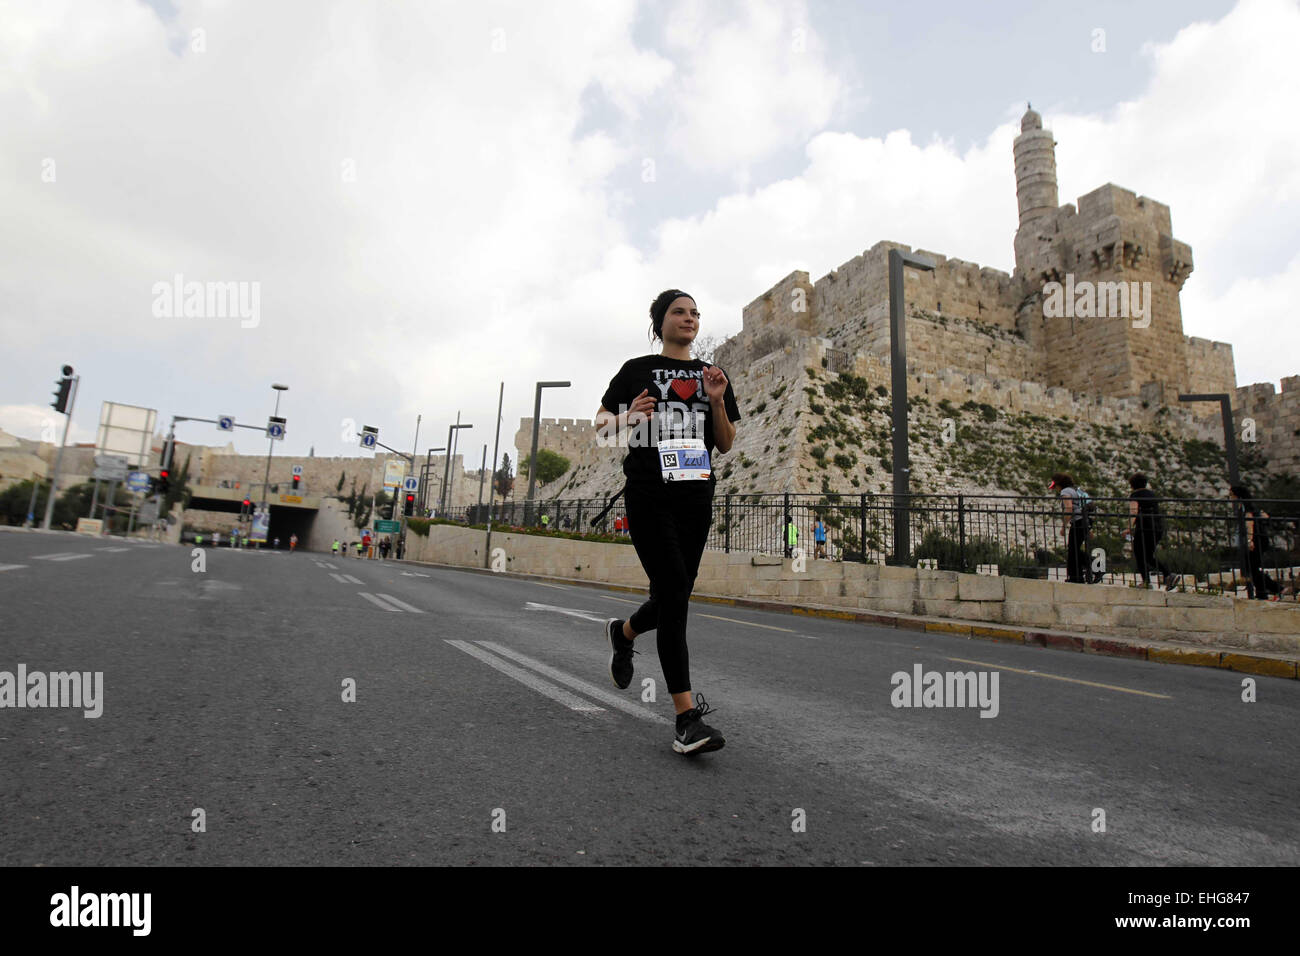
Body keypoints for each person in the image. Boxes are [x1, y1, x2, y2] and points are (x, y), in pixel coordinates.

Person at [595, 288, 741, 755]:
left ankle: (623, 633)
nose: (689, 318)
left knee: (672, 595)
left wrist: (716, 401)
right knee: (675, 591)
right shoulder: (636, 370)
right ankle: (685, 719)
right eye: (679, 312)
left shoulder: (712, 375)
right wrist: (626, 416)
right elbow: (599, 424)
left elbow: (726, 443)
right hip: (648, 494)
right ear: (660, 322)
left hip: (696, 497)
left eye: (695, 312)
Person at [1230, 485, 1281, 600]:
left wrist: (1249, 541)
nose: (1230, 498)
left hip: (1256, 541)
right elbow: (1265, 517)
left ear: (1237, 496)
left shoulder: (1245, 507)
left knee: (1252, 568)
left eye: (1231, 495)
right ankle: (1263, 592)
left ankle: (1276, 588)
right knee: (1253, 568)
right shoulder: (1251, 506)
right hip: (1260, 540)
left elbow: (1249, 523)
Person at [1127, 474, 1175, 590]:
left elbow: (1134, 511)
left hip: (1144, 528)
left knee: (1139, 554)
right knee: (1148, 556)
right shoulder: (1151, 494)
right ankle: (1167, 574)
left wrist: (1129, 528)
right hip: (1157, 528)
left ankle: (1146, 582)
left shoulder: (1135, 494)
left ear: (1132, 485)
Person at [1050, 472, 1092, 584]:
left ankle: (1093, 565)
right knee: (1074, 549)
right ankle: (1077, 577)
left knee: (1073, 550)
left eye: (1055, 487)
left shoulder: (1065, 492)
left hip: (1078, 522)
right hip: (1085, 521)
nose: (1056, 489)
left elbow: (1069, 508)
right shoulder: (1075, 490)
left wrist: (1063, 526)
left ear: (1059, 484)